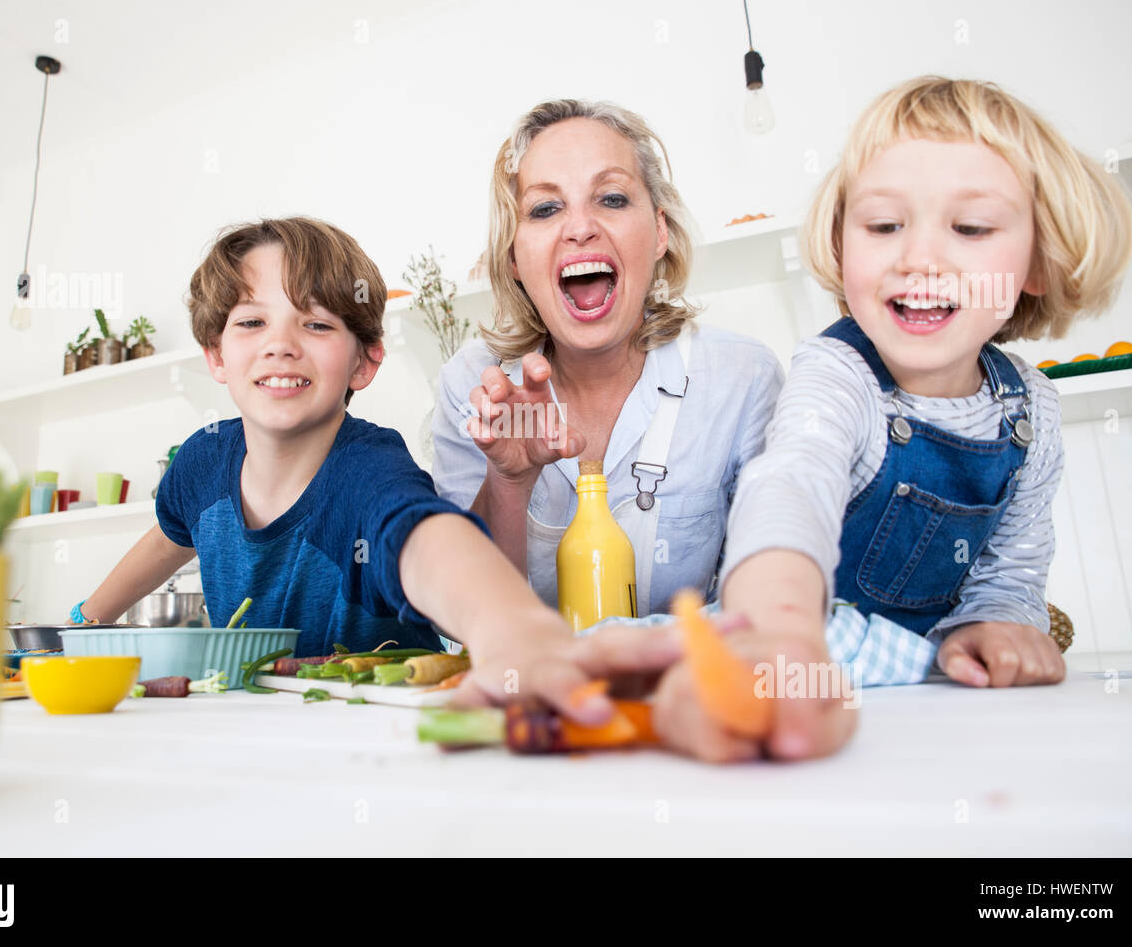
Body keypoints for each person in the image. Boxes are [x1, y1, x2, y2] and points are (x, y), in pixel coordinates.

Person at [656, 76, 1132, 761]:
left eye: (970, 228)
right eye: (884, 226)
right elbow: (792, 484)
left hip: (921, 707)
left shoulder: (1031, 411)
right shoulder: (839, 372)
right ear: (842, 240)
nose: (919, 259)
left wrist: (998, 622)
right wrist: (781, 633)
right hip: (794, 659)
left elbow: (1008, 573)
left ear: (1038, 257)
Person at [68, 217, 681, 714]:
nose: (280, 343)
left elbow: (425, 538)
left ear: (365, 362)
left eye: (315, 323)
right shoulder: (202, 460)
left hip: (380, 730)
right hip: (254, 727)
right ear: (216, 355)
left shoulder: (369, 467)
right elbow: (168, 535)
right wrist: (82, 625)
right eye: (251, 322)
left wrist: (514, 630)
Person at [431, 98, 783, 624]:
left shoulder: (742, 379)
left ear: (660, 232)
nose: (580, 228)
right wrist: (508, 483)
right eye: (546, 209)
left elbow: (770, 598)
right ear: (513, 258)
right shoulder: (474, 386)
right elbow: (456, 616)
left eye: (612, 198)